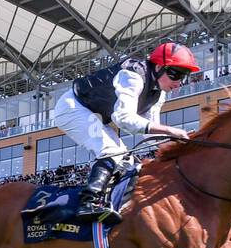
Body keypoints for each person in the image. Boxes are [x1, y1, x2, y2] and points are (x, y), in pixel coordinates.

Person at [52, 41, 201, 224]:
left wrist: (180, 148)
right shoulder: (132, 75)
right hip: (73, 107)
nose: (179, 83)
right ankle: (88, 202)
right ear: (160, 67)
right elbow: (122, 118)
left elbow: (150, 133)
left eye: (184, 77)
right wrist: (170, 130)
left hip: (94, 115)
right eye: (176, 74)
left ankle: (111, 203)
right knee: (111, 151)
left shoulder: (158, 93)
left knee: (127, 161)